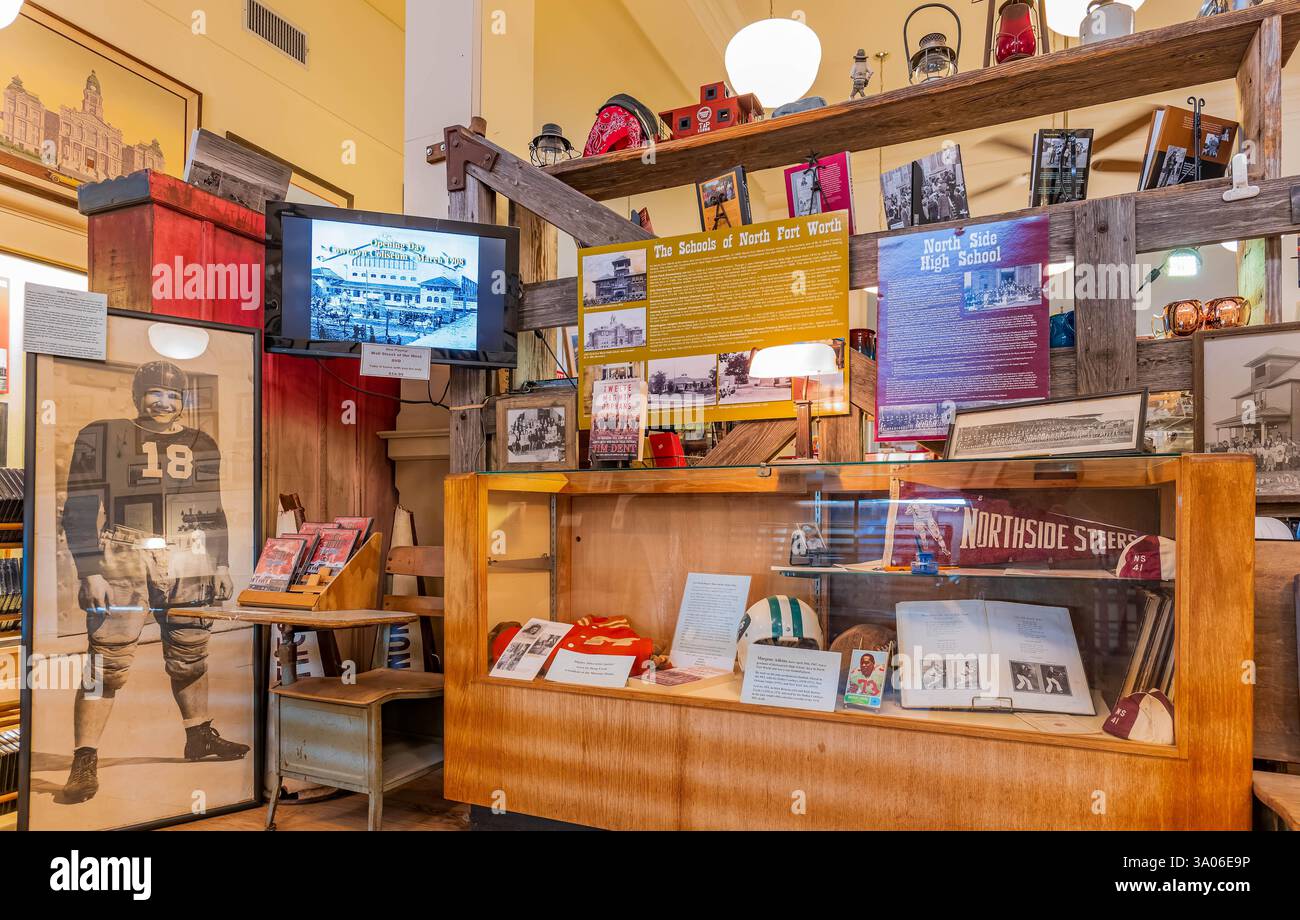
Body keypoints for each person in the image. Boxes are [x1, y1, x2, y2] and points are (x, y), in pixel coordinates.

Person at [59, 361, 249, 805]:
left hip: (188, 550)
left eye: (173, 395)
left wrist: (219, 563)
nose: (163, 402)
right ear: (136, 394)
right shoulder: (102, 433)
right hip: (123, 551)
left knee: (191, 648)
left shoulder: (201, 441)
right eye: (154, 393)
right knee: (106, 659)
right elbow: (81, 506)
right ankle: (84, 758)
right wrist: (89, 569)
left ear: (184, 400)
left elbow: (212, 505)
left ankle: (198, 737)